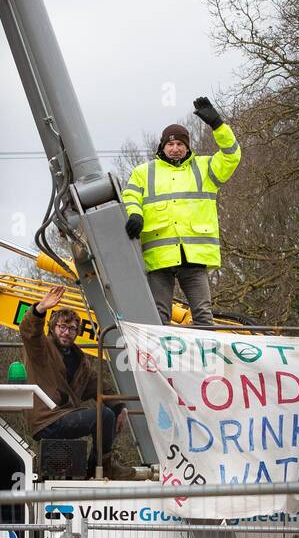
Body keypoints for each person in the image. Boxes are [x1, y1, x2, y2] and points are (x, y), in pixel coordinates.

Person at [122, 96, 242, 327]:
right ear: (162, 146)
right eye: (170, 144)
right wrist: (135, 214)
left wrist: (218, 125)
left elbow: (232, 155)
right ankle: (159, 362)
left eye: (180, 144)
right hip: (159, 255)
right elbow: (130, 196)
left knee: (203, 315)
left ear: (187, 146)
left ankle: (206, 361)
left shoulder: (205, 168)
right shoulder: (143, 172)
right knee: (158, 317)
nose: (175, 148)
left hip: (193, 256)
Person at [20, 285, 135, 479]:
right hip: (47, 418)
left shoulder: (79, 360)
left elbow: (97, 385)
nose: (67, 332)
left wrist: (120, 407)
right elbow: (29, 332)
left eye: (72, 329)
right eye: (62, 327)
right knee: (102, 415)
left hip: (64, 416)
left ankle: (96, 466)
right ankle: (104, 466)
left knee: (109, 413)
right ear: (52, 327)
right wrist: (39, 310)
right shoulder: (42, 349)